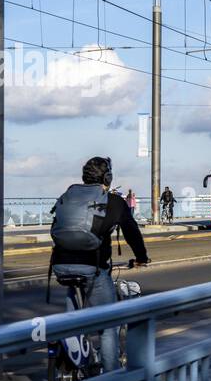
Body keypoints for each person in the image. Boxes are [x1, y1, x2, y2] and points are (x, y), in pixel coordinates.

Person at [49, 156, 150, 369]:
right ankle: (110, 380)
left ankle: (72, 356)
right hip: (93, 268)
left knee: (72, 322)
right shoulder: (112, 202)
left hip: (60, 266)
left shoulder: (67, 197)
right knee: (108, 325)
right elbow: (132, 233)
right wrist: (141, 257)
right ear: (108, 177)